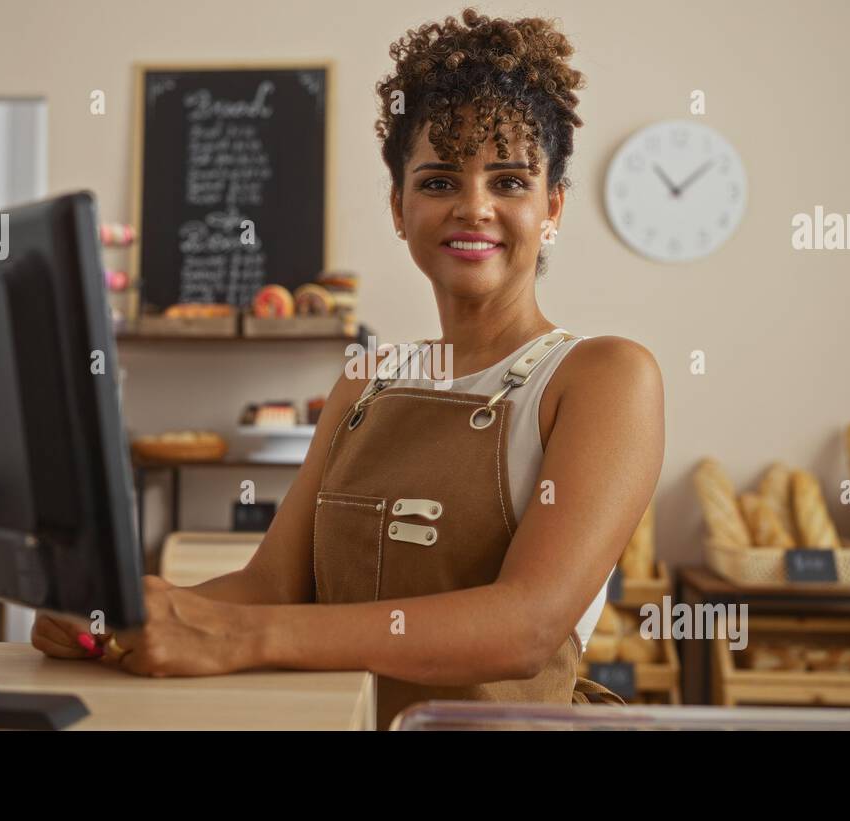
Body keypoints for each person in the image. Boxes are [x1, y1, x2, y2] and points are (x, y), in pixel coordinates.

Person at [33, 7, 665, 729]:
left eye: (510, 182)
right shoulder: (368, 379)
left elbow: (524, 627)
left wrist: (235, 637)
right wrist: (126, 612)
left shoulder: (603, 378)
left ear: (552, 207)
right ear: (399, 208)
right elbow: (272, 583)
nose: (473, 207)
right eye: (437, 181)